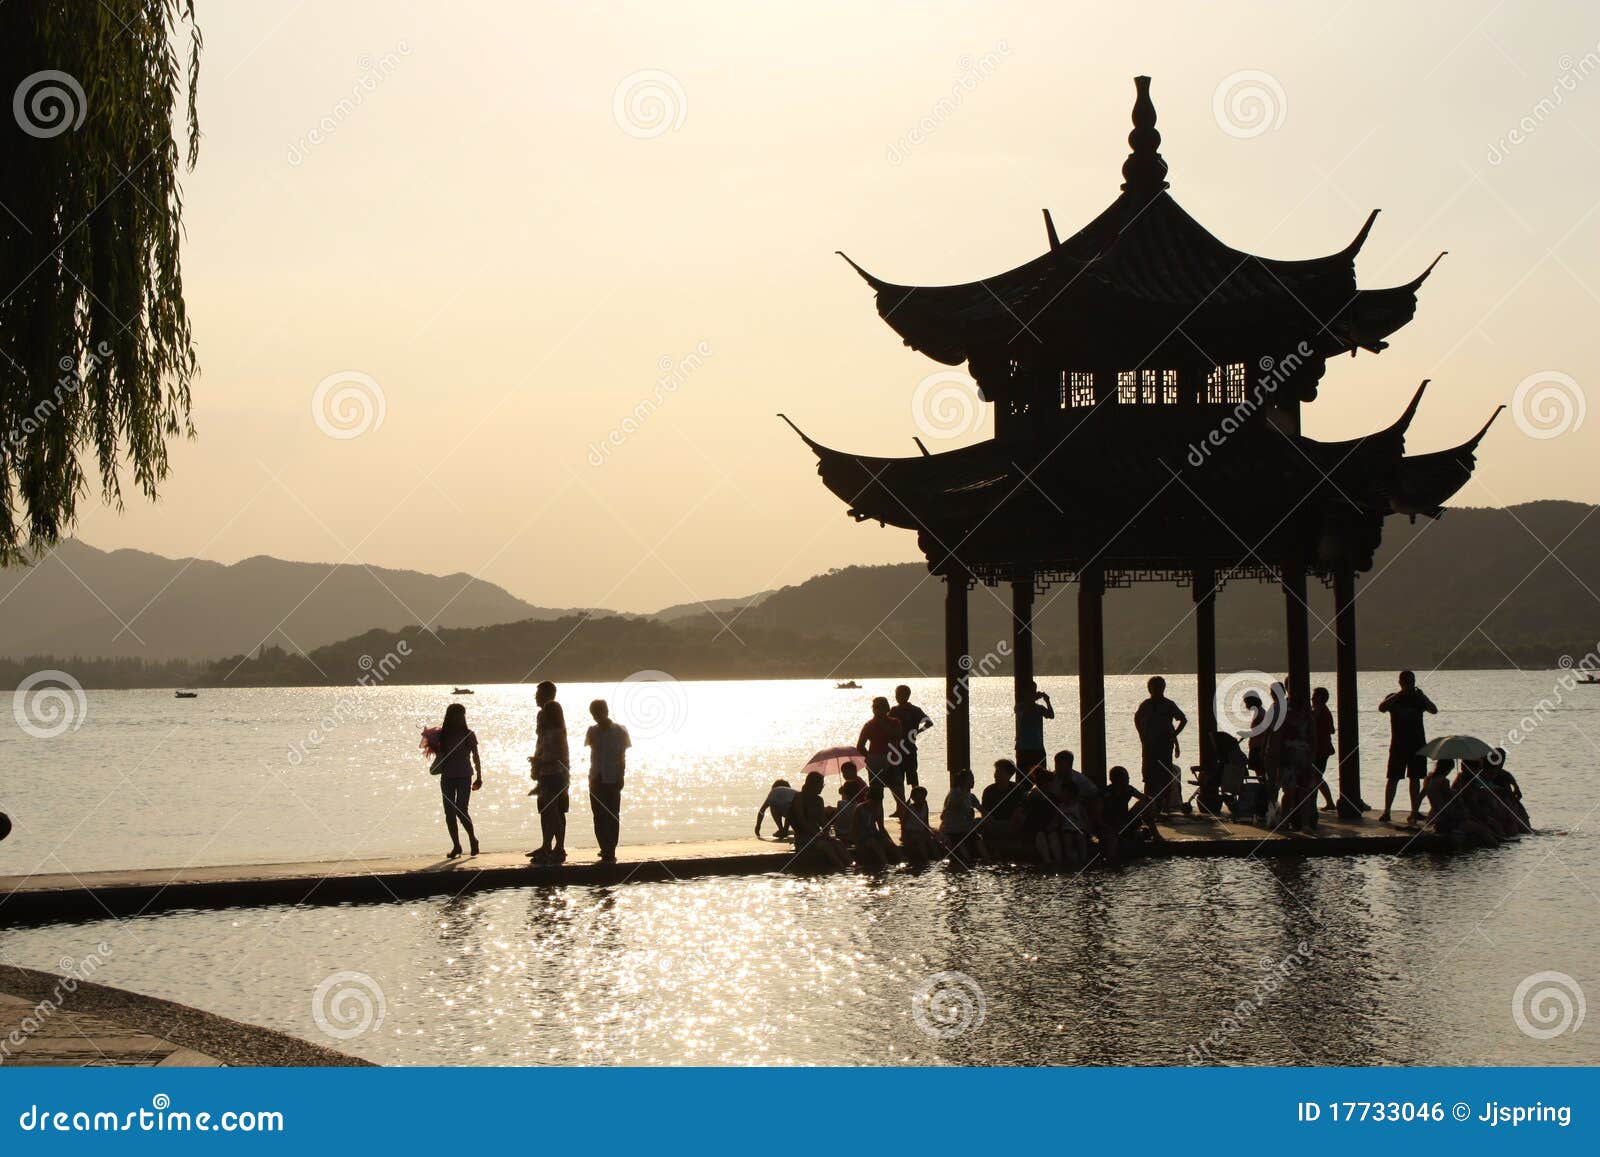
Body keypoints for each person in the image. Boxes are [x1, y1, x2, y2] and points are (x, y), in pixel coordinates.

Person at [1378, 670, 1437, 824]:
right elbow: (1382, 708)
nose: (1408, 685)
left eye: (1410, 682)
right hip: (1398, 745)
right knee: (1393, 778)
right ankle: (1387, 811)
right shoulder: (1394, 698)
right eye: (1406, 682)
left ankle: (1414, 811)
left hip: (1417, 744)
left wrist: (1423, 697)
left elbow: (1434, 710)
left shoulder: (1419, 699)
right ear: (1400, 683)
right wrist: (1399, 694)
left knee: (1415, 779)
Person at [429, 702, 482, 859]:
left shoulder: (469, 734)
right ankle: (456, 846)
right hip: (447, 777)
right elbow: (437, 753)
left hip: (464, 776)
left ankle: (473, 839)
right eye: (457, 715)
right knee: (449, 813)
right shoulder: (442, 735)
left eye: (462, 715)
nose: (460, 718)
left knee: (461, 809)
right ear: (450, 717)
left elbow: (476, 756)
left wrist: (479, 776)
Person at [528, 680, 570, 864]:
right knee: (546, 809)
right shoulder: (543, 724)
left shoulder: (556, 730)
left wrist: (540, 761)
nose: (535, 697)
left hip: (556, 773)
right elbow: (541, 747)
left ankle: (558, 847)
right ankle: (547, 845)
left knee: (555, 810)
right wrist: (536, 765)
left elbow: (559, 754)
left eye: (538, 694)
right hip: (545, 771)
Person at [585, 698, 631, 862]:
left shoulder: (620, 731)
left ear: (605, 711)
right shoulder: (592, 731)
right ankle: (604, 847)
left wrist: (621, 776)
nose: (596, 716)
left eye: (598, 712)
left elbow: (622, 756)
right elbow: (593, 754)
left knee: (612, 814)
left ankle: (610, 848)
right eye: (594, 714)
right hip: (596, 778)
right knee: (598, 815)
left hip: (612, 777)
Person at [1134, 676, 1187, 814]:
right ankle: (1149, 806)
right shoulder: (1146, 704)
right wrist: (1142, 735)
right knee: (1148, 776)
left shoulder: (1169, 704)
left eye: (1158, 687)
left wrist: (1174, 736)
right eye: (1152, 687)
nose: (1155, 690)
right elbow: (1137, 719)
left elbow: (1183, 719)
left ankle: (1165, 807)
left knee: (1165, 776)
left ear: (1163, 688)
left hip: (1164, 745)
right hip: (1149, 746)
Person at [856, 697, 907, 817]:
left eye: (880, 707)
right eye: (875, 707)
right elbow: (860, 746)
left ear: (887, 708)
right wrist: (868, 757)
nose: (877, 710)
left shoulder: (895, 722)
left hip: (892, 759)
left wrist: (883, 725)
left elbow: (898, 735)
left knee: (897, 788)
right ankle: (878, 818)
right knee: (876, 792)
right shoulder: (868, 725)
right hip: (875, 760)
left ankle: (902, 812)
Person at [1100, 765, 1162, 863]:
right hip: (1112, 822)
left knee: (1145, 803)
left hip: (1126, 818)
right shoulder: (1107, 793)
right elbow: (1102, 812)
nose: (1128, 780)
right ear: (1115, 780)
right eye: (1125, 778)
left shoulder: (1129, 789)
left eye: (1127, 778)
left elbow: (1143, 798)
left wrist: (1152, 805)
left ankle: (1155, 834)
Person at [789, 771, 849, 869]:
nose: (822, 787)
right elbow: (801, 821)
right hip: (804, 837)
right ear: (812, 784)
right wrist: (816, 834)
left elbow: (823, 821)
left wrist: (826, 831)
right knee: (827, 847)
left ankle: (852, 866)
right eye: (821, 784)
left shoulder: (819, 800)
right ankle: (841, 868)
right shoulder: (799, 798)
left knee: (838, 843)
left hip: (817, 835)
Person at [887, 684, 932, 803]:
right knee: (898, 779)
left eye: (900, 695)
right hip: (897, 749)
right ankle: (901, 805)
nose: (898, 697)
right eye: (897, 695)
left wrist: (917, 732)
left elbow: (928, 723)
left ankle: (919, 801)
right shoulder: (893, 710)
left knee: (912, 776)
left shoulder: (914, 710)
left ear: (907, 696)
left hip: (909, 748)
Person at [939, 769, 986, 860]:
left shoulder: (971, 796)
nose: (973, 781)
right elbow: (945, 813)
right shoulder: (954, 794)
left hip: (964, 828)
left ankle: (987, 859)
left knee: (979, 834)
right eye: (971, 779)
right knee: (964, 851)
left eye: (973, 779)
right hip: (952, 829)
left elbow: (982, 810)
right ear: (963, 781)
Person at [1015, 680, 1054, 776]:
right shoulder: (1019, 707)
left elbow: (1051, 715)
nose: (1033, 693)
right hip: (1024, 749)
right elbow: (1025, 714)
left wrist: (1047, 701)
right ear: (1025, 693)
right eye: (1031, 691)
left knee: (1041, 775)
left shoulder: (1039, 708)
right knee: (1023, 776)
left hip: (1038, 748)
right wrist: (1033, 699)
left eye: (1034, 690)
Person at [1310, 686, 1337, 811]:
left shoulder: (1320, 711)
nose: (1312, 698)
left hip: (1321, 749)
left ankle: (1329, 802)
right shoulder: (1322, 710)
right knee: (1316, 776)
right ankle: (1328, 802)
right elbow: (1332, 730)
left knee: (1316, 777)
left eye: (1315, 696)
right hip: (1321, 748)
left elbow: (1330, 729)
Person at [980, 759, 1023, 827]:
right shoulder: (989, 791)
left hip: (1012, 825)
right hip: (993, 825)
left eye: (999, 772)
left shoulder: (1017, 789)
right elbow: (985, 813)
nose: (996, 775)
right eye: (996, 771)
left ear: (1009, 775)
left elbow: (1020, 810)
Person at [901, 785, 936, 863]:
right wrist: (903, 836)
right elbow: (903, 823)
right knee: (921, 842)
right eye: (919, 797)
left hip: (921, 830)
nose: (922, 799)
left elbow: (926, 822)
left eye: (923, 796)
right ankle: (926, 860)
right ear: (913, 798)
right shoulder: (910, 808)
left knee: (932, 840)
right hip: (911, 832)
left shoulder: (925, 806)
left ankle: (938, 859)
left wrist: (930, 831)